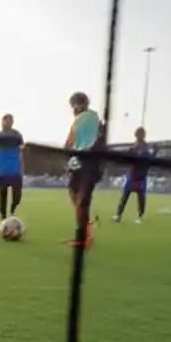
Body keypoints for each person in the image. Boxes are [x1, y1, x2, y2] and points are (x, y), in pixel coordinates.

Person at [62, 91, 103, 248]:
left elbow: (78, 141)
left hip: (89, 164)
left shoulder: (90, 118)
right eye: (73, 105)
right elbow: (71, 141)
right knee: (74, 193)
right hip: (80, 164)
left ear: (83, 104)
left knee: (82, 200)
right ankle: (86, 226)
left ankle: (83, 238)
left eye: (76, 105)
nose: (74, 109)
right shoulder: (82, 120)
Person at [0, 114, 24, 220]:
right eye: (5, 120)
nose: (7, 122)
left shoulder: (17, 135)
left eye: (10, 120)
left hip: (15, 170)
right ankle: (3, 217)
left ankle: (13, 209)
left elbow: (23, 147)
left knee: (17, 196)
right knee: (3, 195)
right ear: (2, 122)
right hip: (2, 170)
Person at [114, 126, 152, 224]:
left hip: (140, 176)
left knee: (141, 197)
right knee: (125, 195)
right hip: (132, 174)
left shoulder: (145, 148)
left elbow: (147, 160)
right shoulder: (134, 147)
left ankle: (140, 216)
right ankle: (118, 214)